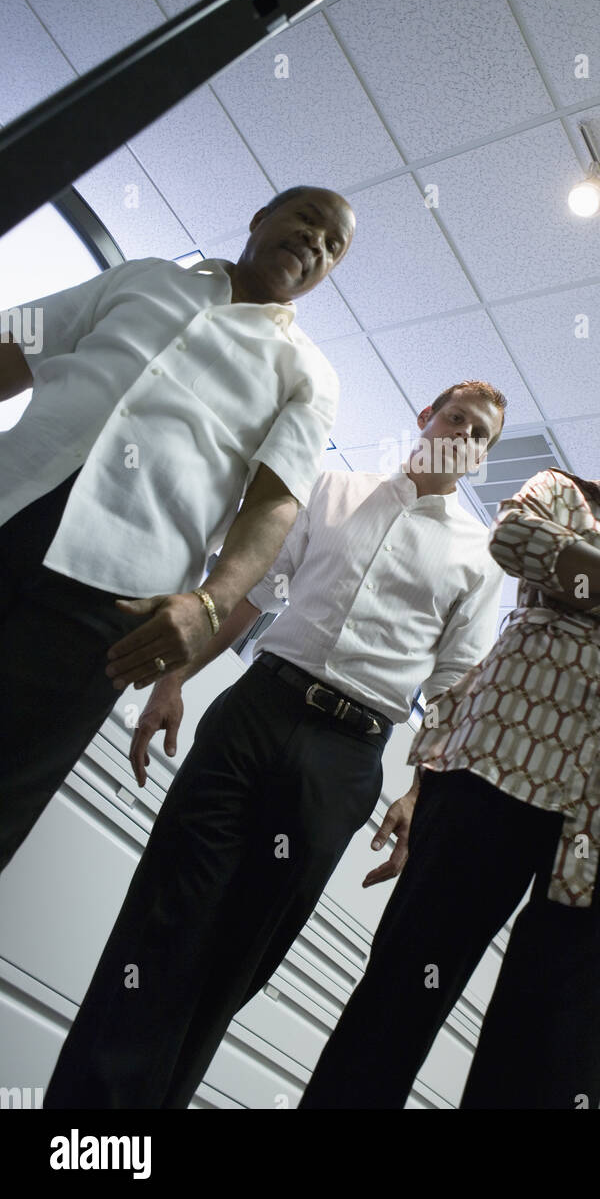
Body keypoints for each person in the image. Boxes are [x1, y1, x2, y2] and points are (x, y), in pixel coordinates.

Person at [299, 365, 600, 1111]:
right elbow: (519, 544)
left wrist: (592, 592)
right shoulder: (558, 491)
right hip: (496, 764)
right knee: (408, 981)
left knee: (555, 1040)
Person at [43, 379, 507, 1110]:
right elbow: (252, 594)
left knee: (240, 955)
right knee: (163, 919)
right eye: (457, 417)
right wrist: (175, 681)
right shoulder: (333, 490)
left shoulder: (480, 562)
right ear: (425, 417)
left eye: (481, 435)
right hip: (257, 714)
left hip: (347, 759)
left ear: (483, 458)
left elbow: (452, 692)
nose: (464, 436)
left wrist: (419, 793)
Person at [0, 185, 354, 873]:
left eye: (332, 245)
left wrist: (212, 601)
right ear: (259, 219)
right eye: (308, 221)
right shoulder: (146, 277)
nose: (316, 242)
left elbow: (274, 504)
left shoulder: (308, 374)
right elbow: (16, 342)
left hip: (112, 598)